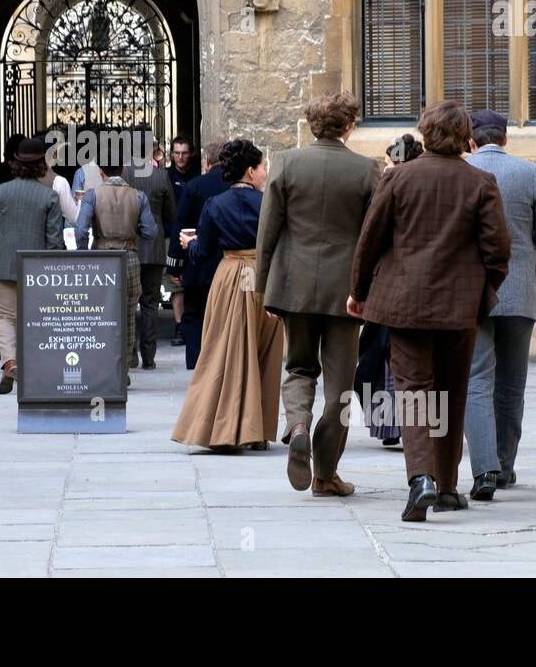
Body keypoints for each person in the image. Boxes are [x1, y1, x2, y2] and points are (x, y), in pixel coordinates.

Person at [349, 101, 511, 521]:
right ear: (465, 137)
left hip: (405, 305)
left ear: (425, 134)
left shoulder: (398, 178)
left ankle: (420, 479)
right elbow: (498, 252)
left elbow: (371, 240)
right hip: (459, 309)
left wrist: (359, 292)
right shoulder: (481, 182)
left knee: (414, 391)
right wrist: (481, 290)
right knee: (452, 393)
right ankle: (446, 486)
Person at [256, 93, 380, 496]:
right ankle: (326, 474)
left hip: (294, 287)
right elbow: (374, 237)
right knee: (340, 388)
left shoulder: (287, 164)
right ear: (348, 126)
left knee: (298, 368)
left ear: (313, 126)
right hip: (346, 293)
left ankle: (296, 425)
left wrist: (264, 288)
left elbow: (268, 232)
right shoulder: (365, 170)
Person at [463, 109, 536, 499]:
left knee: (476, 380)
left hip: (473, 292)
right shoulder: (528, 172)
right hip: (518, 291)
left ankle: (483, 467)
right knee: (511, 385)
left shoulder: (464, 171)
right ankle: (504, 467)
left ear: (470, 141)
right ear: (505, 139)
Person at [171, 139, 283, 451]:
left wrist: (187, 245)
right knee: (263, 352)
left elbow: (204, 251)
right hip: (263, 277)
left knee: (227, 350)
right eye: (261, 167)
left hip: (231, 276)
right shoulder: (268, 203)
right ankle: (256, 430)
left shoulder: (216, 205)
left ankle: (224, 427)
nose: (264, 173)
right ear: (250, 171)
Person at [353, 133, 424, 449]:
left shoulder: (389, 190)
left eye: (387, 162)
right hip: (419, 286)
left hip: (390, 284)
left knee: (389, 358)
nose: (384, 168)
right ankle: (399, 426)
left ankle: (394, 426)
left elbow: (370, 240)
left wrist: (359, 288)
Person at [0, 136, 66, 395]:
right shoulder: (49, 196)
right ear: (42, 164)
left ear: (16, 163)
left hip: (4, 260)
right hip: (36, 266)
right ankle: (22, 367)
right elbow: (54, 240)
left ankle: (10, 363)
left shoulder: (2, 191)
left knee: (6, 317)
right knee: (34, 319)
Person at [74, 158, 158, 383]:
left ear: (101, 172)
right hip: (128, 255)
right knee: (129, 313)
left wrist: (84, 253)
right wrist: (134, 231)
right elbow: (151, 232)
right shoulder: (138, 196)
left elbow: (81, 230)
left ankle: (102, 364)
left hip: (101, 257)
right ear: (122, 170)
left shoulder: (92, 195)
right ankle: (122, 368)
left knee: (99, 313)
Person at [167, 141, 228, 369]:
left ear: (207, 161)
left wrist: (174, 266)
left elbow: (179, 227)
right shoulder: (235, 187)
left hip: (197, 260)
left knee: (194, 314)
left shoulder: (194, 186)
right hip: (227, 261)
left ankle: (197, 363)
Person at [125, 135, 177, 370]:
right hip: (154, 243)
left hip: (129, 241)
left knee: (128, 301)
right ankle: (149, 355)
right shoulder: (161, 175)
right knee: (150, 302)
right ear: (153, 151)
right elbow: (171, 212)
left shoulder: (125, 175)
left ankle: (131, 352)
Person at [164, 135, 200, 346]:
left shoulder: (197, 175)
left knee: (193, 281)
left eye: (184, 153)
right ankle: (179, 325)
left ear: (191, 154)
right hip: (172, 234)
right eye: (176, 153)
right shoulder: (166, 176)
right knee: (175, 284)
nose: (180, 157)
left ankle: (193, 322)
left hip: (196, 233)